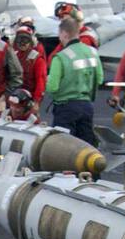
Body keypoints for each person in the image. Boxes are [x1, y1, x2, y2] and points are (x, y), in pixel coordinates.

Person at [44, 16, 103, 145]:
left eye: (59, 34)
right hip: (87, 107)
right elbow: (99, 79)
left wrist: (46, 81)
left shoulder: (60, 57)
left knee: (63, 148)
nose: (59, 38)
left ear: (64, 34)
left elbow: (52, 87)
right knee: (86, 147)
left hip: (66, 109)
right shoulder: (92, 53)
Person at [13, 26, 47, 106]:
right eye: (19, 39)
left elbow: (41, 82)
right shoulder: (14, 56)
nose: (22, 43)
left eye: (25, 39)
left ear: (31, 41)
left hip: (30, 100)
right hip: (14, 98)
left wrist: (36, 102)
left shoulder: (37, 59)